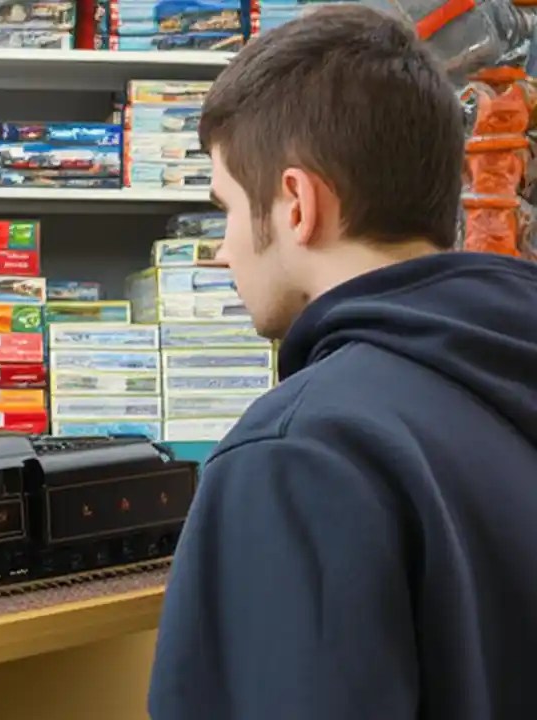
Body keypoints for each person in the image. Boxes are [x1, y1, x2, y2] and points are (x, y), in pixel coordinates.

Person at [148, 6, 537, 719]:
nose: (222, 251)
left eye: (227, 208)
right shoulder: (509, 381)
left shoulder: (298, 456)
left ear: (297, 204)